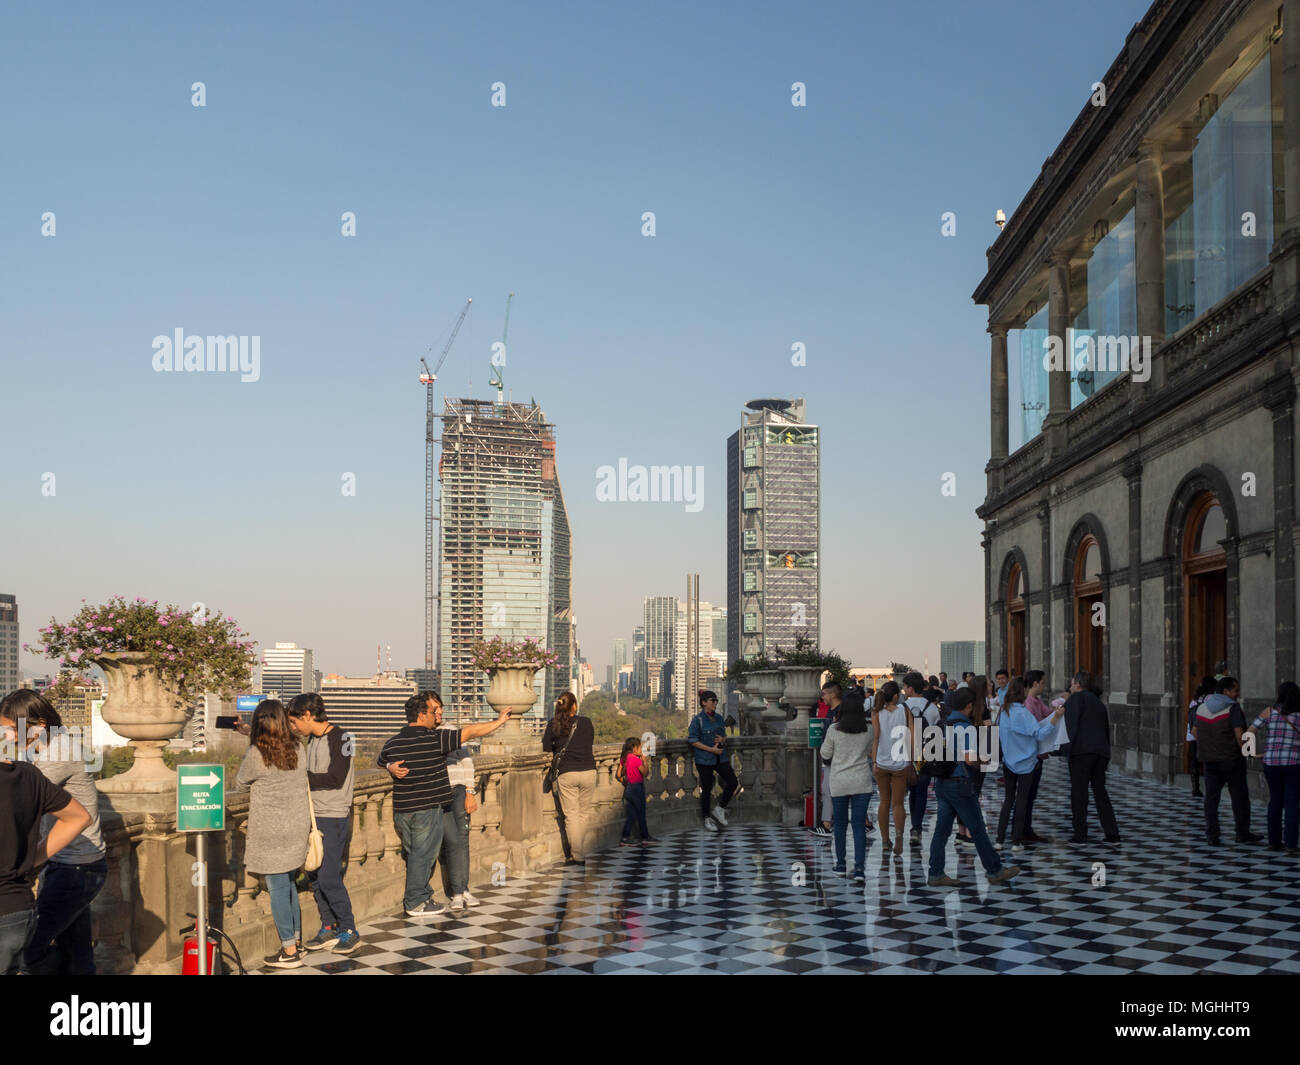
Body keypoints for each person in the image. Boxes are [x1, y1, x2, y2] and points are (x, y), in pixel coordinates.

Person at [380, 691, 511, 915]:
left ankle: (423, 895)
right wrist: (498, 721)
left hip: (402, 809)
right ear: (421, 716)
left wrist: (390, 767)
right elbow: (470, 732)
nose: (436, 716)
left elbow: (382, 760)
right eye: (433, 712)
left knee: (415, 854)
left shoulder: (394, 742)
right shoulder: (435, 739)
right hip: (426, 808)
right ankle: (416, 901)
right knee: (423, 855)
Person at [11, 694, 107, 976]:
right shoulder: (47, 748)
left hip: (76, 868)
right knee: (76, 954)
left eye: (13, 728)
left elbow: (18, 796)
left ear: (39, 725)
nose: (7, 735)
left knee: (26, 953)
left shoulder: (60, 753)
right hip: (71, 864)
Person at [235, 699, 311, 969]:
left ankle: (289, 950)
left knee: (278, 888)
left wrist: (250, 742)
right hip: (297, 826)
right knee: (288, 884)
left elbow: (240, 784)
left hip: (271, 830)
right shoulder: (298, 749)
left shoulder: (257, 753)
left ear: (258, 724)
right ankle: (297, 943)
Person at [287, 692, 360, 955]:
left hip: (333, 815)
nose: (293, 727)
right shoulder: (312, 739)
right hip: (313, 813)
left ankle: (349, 929)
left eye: (294, 721)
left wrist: (298, 777)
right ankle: (329, 926)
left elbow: (335, 778)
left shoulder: (343, 737)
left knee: (329, 876)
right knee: (314, 875)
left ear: (307, 715)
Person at [927, 689, 1021, 888]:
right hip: (960, 784)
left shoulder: (944, 723)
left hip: (942, 783)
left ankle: (935, 873)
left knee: (941, 832)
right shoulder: (964, 726)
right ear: (969, 705)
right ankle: (995, 870)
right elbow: (969, 759)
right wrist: (983, 761)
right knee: (978, 828)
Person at [995, 678, 1065, 852]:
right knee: (1022, 801)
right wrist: (1055, 719)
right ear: (1023, 691)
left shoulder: (1004, 712)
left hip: (1009, 761)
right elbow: (1039, 734)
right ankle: (1016, 841)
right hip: (1026, 762)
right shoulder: (1023, 713)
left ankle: (999, 839)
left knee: (1008, 800)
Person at [1194, 676, 1261, 845]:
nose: (1238, 694)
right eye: (1235, 690)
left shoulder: (1201, 708)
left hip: (1210, 761)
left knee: (1211, 799)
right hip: (1231, 759)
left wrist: (1209, 745)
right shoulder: (1233, 708)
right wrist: (1248, 751)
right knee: (1239, 798)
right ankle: (1242, 833)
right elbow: (1239, 735)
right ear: (1226, 692)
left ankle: (1212, 834)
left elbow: (1195, 732)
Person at [819, 688, 874, 882]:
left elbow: (824, 754)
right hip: (862, 782)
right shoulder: (869, 729)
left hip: (840, 782)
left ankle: (841, 864)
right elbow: (869, 751)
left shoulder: (834, 730)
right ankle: (859, 869)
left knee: (840, 825)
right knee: (859, 826)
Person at [1062, 671, 1121, 845]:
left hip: (1081, 753)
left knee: (1079, 793)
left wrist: (1063, 750)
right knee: (1100, 792)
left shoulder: (1076, 699)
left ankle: (1080, 833)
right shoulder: (1099, 703)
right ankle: (1112, 833)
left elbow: (1070, 725)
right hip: (1100, 753)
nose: (1071, 687)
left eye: (1072, 684)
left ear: (1078, 684)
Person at [544, 691, 597, 863]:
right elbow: (589, 741)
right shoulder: (586, 722)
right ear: (574, 705)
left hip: (567, 773)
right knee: (583, 814)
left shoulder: (553, 724)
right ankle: (579, 849)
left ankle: (577, 854)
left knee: (571, 815)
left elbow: (546, 748)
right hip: (589, 771)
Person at [1247, 682, 1300, 853]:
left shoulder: (1270, 711)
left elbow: (1250, 731)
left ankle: (1274, 841)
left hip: (1271, 762)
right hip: (1294, 762)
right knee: (1292, 803)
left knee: (1275, 801)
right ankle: (1291, 844)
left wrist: (1255, 753)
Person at [440, 730, 480, 909]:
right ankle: (457, 891)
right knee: (452, 840)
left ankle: (463, 889)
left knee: (463, 838)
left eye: (439, 710)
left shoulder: (450, 732)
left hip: (460, 790)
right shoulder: (425, 736)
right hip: (441, 793)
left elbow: (467, 763)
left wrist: (470, 792)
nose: (438, 714)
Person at [688, 689, 737, 832]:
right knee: (707, 789)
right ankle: (706, 818)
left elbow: (723, 736)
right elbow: (693, 740)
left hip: (720, 757)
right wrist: (711, 750)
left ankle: (720, 808)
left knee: (733, 781)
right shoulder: (698, 720)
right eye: (712, 700)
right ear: (704, 703)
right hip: (704, 759)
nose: (715, 703)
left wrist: (723, 740)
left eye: (716, 700)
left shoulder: (720, 718)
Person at [871, 681, 910, 856]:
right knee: (898, 803)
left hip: (881, 762)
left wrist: (874, 762)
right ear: (896, 696)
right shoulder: (904, 710)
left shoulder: (877, 713)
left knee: (884, 802)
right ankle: (900, 835)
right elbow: (912, 734)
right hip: (900, 762)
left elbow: (876, 738)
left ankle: (885, 840)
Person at [902, 672, 941, 843]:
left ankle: (914, 825)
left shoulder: (902, 707)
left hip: (908, 754)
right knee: (922, 791)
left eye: (904, 687)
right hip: (926, 754)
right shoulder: (931, 708)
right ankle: (917, 827)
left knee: (912, 790)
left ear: (910, 688)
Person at [955, 674, 992, 847]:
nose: (991, 686)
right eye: (988, 684)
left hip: (963, 752)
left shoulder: (967, 707)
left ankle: (961, 831)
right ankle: (970, 832)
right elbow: (988, 731)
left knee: (964, 792)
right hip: (979, 753)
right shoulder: (982, 708)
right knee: (974, 792)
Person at [1019, 670, 1053, 843]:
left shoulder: (1037, 702)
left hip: (1038, 754)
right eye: (1043, 682)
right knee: (1026, 795)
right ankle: (1022, 831)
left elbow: (1049, 713)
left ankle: (1027, 829)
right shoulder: (1029, 705)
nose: (1044, 685)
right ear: (1035, 684)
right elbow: (1034, 732)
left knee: (1031, 795)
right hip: (1032, 756)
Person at [813, 681, 842, 838]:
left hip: (836, 759)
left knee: (828, 791)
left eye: (823, 694)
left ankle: (826, 824)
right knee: (827, 790)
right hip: (831, 758)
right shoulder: (832, 711)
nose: (821, 697)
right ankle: (827, 823)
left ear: (832, 694)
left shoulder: (839, 712)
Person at [618, 736, 654, 847]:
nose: (641, 749)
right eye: (640, 747)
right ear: (634, 748)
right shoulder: (636, 760)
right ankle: (645, 837)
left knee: (632, 814)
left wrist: (625, 783)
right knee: (641, 813)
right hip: (637, 788)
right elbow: (646, 773)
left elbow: (619, 775)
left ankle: (625, 837)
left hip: (629, 788)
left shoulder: (624, 759)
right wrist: (645, 762)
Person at [1187, 676, 1215, 798]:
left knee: (1195, 761)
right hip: (1206, 733)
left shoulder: (1194, 699)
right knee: (1208, 760)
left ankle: (1195, 788)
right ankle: (1210, 787)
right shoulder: (1212, 698)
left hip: (1192, 734)